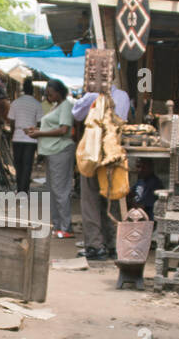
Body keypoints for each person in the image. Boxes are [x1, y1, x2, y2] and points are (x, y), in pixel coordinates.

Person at [72, 83, 130, 260]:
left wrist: (87, 96)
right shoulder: (123, 95)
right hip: (114, 152)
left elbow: (77, 113)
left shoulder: (92, 96)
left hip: (94, 153)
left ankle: (95, 246)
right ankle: (113, 244)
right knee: (111, 198)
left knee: (90, 200)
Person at [25, 78, 75, 238]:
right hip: (53, 151)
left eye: (50, 94)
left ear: (59, 93)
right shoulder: (57, 106)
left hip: (60, 150)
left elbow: (63, 130)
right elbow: (54, 127)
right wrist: (38, 129)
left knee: (60, 190)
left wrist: (40, 133)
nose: (48, 96)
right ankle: (58, 225)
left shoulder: (66, 105)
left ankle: (65, 227)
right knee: (53, 189)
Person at [8, 81, 41, 195]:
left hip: (17, 137)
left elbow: (11, 121)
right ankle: (24, 190)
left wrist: (14, 133)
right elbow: (39, 122)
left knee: (18, 165)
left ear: (23, 90)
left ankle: (19, 188)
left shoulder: (15, 103)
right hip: (31, 139)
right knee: (27, 165)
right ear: (32, 90)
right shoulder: (37, 104)